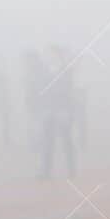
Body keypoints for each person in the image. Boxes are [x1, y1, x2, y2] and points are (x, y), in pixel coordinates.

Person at [39, 46, 77, 179]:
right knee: (48, 141)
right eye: (49, 55)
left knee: (66, 140)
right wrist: (44, 108)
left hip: (62, 110)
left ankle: (71, 170)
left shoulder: (66, 71)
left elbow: (68, 91)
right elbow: (43, 91)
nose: (50, 57)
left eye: (53, 55)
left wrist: (66, 111)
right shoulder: (45, 71)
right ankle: (46, 171)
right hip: (49, 110)